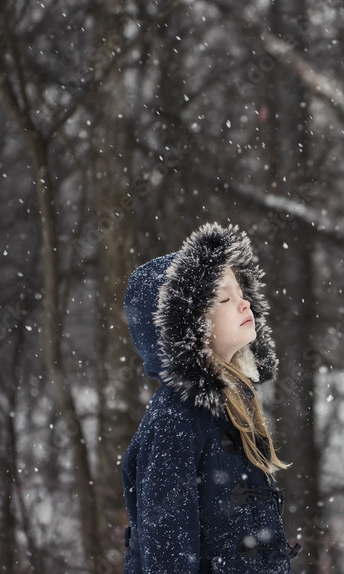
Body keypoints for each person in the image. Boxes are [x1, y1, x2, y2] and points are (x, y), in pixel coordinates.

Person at [121, 222, 298, 573]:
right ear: (188, 325)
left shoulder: (234, 404)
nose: (244, 303)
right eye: (224, 298)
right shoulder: (174, 420)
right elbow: (168, 556)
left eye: (241, 292)